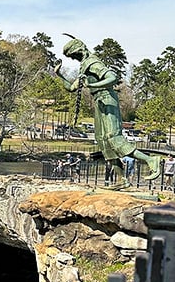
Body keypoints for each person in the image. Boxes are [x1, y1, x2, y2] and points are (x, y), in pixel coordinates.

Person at [55, 37, 161, 189]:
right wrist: (60, 74)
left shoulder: (93, 63)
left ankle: (150, 160)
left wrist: (93, 84)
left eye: (74, 56)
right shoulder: (84, 66)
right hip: (98, 102)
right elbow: (72, 88)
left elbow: (112, 78)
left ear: (80, 50)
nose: (74, 59)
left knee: (114, 138)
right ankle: (121, 180)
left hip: (107, 99)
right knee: (103, 141)